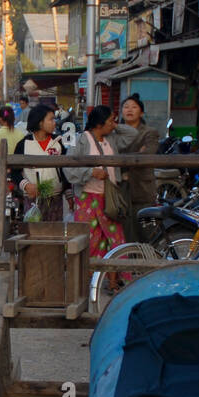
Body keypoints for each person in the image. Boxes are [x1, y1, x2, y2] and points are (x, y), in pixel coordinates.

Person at [64, 105, 125, 292]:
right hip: (87, 196)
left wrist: (116, 124)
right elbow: (68, 168)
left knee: (115, 241)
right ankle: (87, 282)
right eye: (110, 121)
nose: (114, 125)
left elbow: (131, 135)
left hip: (109, 197)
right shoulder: (81, 140)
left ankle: (113, 283)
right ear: (99, 123)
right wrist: (90, 171)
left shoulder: (112, 138)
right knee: (89, 241)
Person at [113, 94, 161, 242]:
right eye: (126, 107)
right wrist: (136, 154)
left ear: (141, 112)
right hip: (119, 187)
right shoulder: (114, 133)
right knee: (124, 232)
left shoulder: (149, 132)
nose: (129, 110)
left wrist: (125, 159)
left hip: (142, 189)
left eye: (134, 107)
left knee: (146, 233)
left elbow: (148, 155)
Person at [16, 104, 64, 222]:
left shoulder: (58, 142)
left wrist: (68, 193)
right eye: (51, 119)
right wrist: (26, 185)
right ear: (40, 123)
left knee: (54, 234)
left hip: (55, 197)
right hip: (33, 198)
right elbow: (15, 172)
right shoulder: (24, 144)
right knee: (33, 234)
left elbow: (64, 170)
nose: (54, 123)